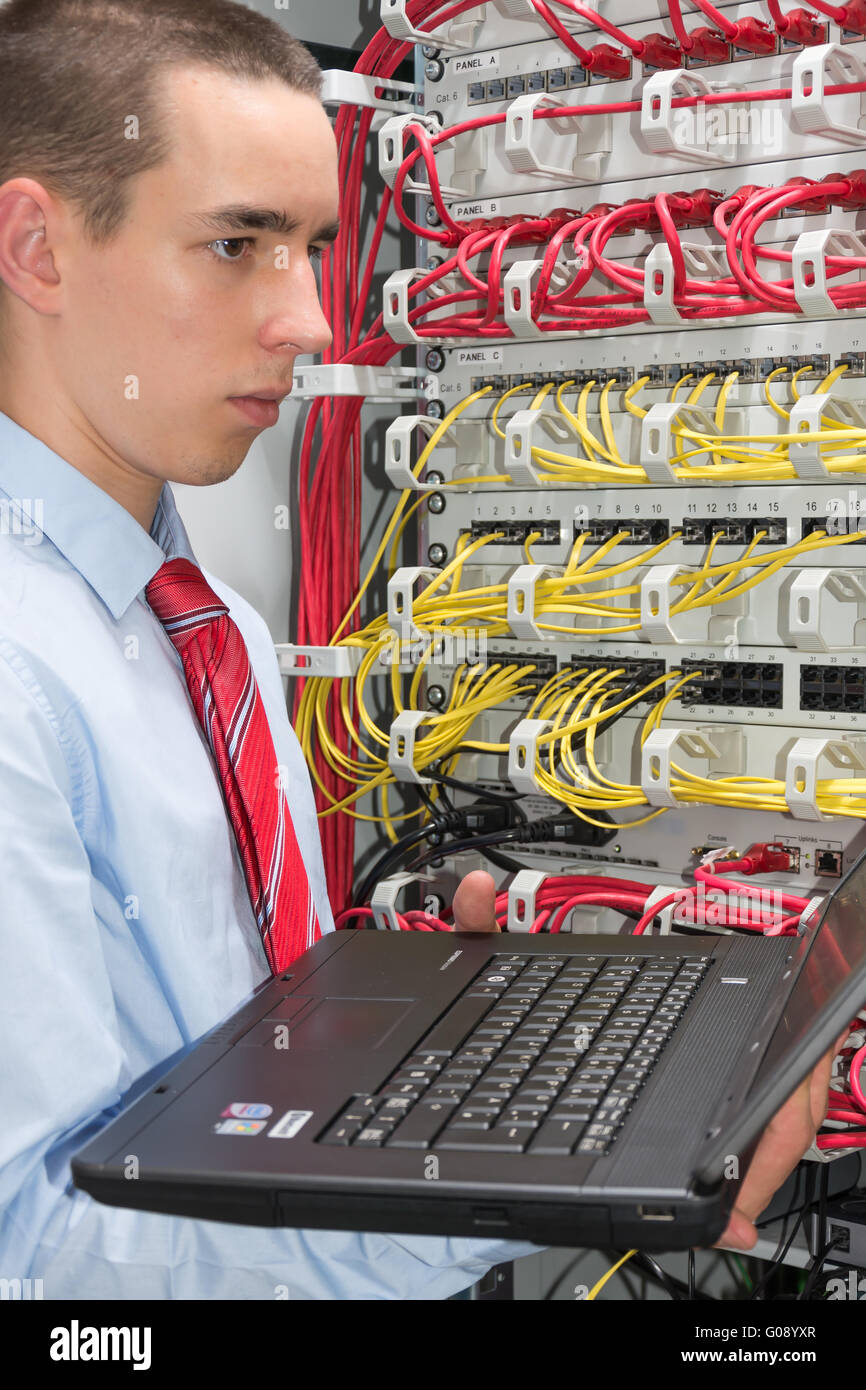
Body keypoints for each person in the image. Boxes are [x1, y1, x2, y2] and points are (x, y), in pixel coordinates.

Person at [0, 0, 837, 1299]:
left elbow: (224, 1065)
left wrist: (475, 1009)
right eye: (238, 245)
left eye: (315, 249)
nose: (312, 321)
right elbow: (39, 1261)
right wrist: (568, 1166)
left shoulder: (204, 614)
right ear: (37, 248)